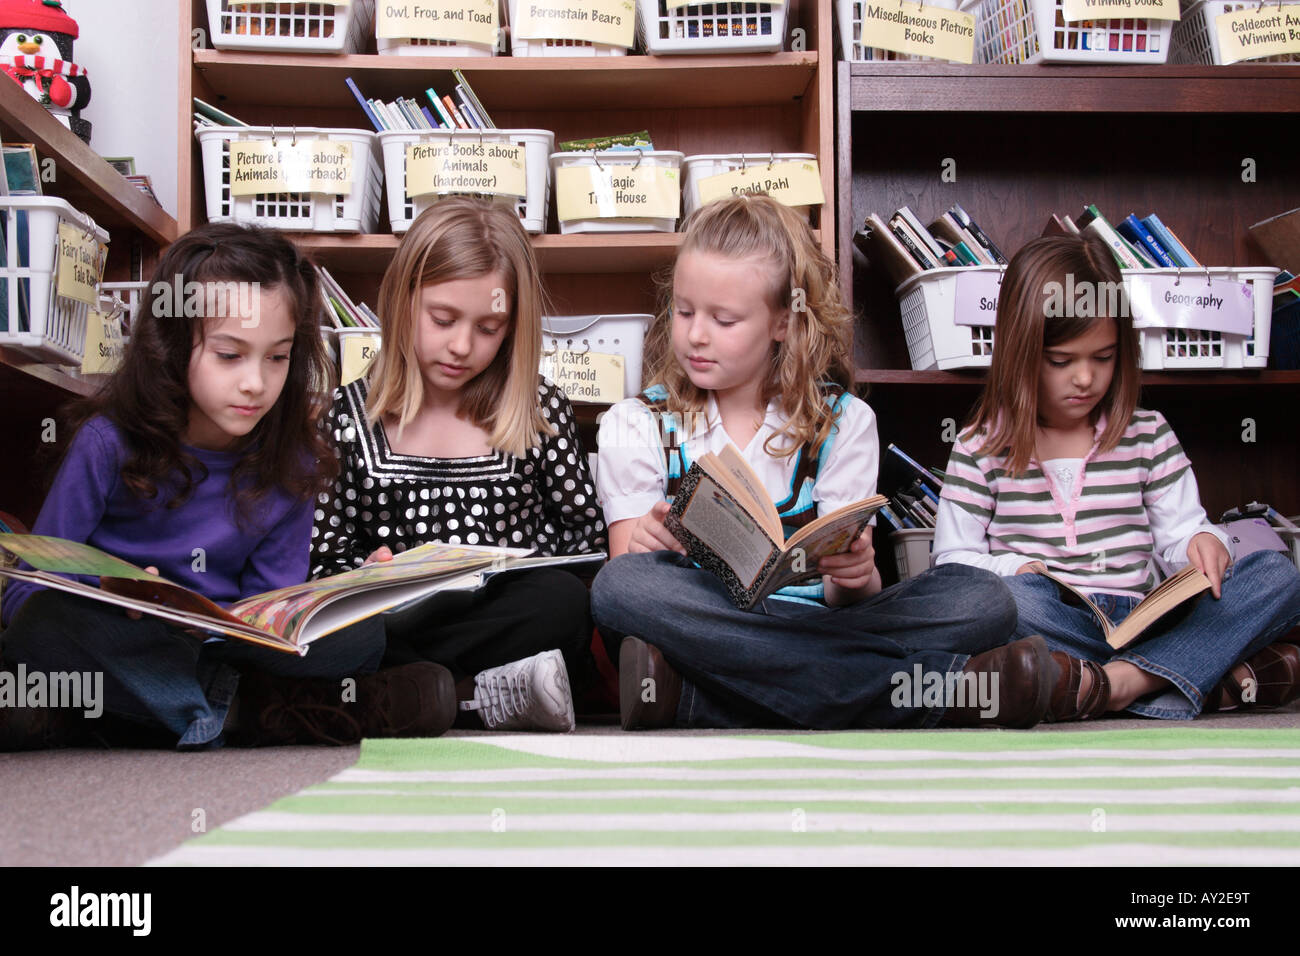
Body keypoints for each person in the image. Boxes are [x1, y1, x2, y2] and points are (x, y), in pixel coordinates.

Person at [591, 195, 1078, 731]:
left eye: (723, 319)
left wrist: (857, 576)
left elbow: (847, 597)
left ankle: (695, 698)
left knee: (984, 598)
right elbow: (627, 568)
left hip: (779, 634)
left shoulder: (844, 422)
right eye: (683, 311)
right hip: (707, 620)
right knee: (621, 591)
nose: (696, 335)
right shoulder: (636, 422)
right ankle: (942, 690)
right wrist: (645, 544)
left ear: (783, 322)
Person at [0, 223, 455, 752]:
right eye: (229, 354)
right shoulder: (106, 444)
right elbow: (28, 593)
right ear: (171, 346)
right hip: (122, 637)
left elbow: (272, 613)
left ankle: (123, 712)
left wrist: (351, 593)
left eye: (277, 356)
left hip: (222, 647)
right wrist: (110, 596)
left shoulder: (293, 460)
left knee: (361, 636)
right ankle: (244, 712)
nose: (255, 383)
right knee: (43, 626)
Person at [934, 233, 1300, 719]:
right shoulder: (980, 444)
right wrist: (1014, 569)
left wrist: (1202, 542)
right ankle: (1186, 679)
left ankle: (1113, 684)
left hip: (1149, 618)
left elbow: (1181, 534)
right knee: (1002, 605)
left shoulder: (1147, 433)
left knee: (1276, 574)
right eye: (1061, 361)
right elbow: (951, 561)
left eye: (1103, 358)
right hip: (1055, 618)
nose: (1085, 378)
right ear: (1020, 353)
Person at [310, 198, 607, 733]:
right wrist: (364, 573)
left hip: (502, 618)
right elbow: (321, 558)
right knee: (341, 635)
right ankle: (476, 693)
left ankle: (420, 694)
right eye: (442, 319)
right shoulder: (347, 418)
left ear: (514, 326)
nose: (462, 346)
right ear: (402, 302)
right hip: (395, 623)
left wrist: (522, 566)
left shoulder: (539, 411)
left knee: (561, 603)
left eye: (490, 328)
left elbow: (584, 547)